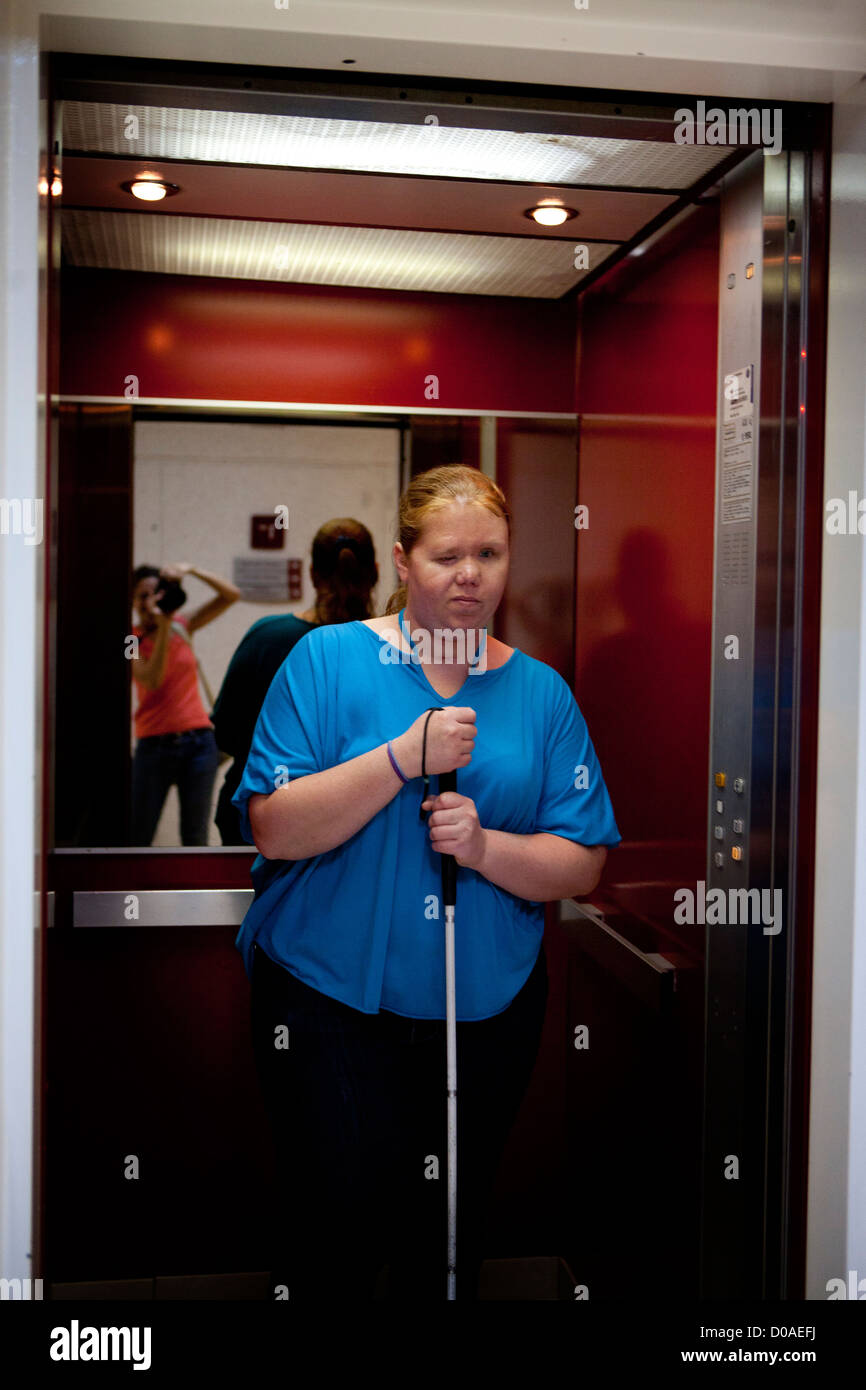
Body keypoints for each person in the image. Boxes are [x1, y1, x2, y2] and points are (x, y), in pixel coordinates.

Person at [232, 464, 621, 1301]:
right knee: (333, 1223)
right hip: (328, 1003)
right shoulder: (325, 661)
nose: (470, 574)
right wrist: (402, 759)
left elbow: (584, 859)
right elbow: (273, 825)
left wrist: (486, 849)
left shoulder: (542, 694)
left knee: (446, 1230)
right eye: (447, 556)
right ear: (404, 561)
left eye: (490, 553)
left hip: (486, 1012)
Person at [210, 521, 379, 845]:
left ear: (313, 573)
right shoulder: (391, 649)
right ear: (376, 572)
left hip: (256, 822)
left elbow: (227, 734)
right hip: (354, 823)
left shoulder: (267, 637)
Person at [130, 562, 239, 845]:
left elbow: (231, 595)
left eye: (156, 593)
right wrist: (164, 626)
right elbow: (151, 679)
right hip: (153, 746)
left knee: (195, 837)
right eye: (142, 595)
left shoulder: (182, 625)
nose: (150, 602)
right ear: (132, 600)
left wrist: (191, 570)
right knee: (139, 834)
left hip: (198, 744)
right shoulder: (130, 638)